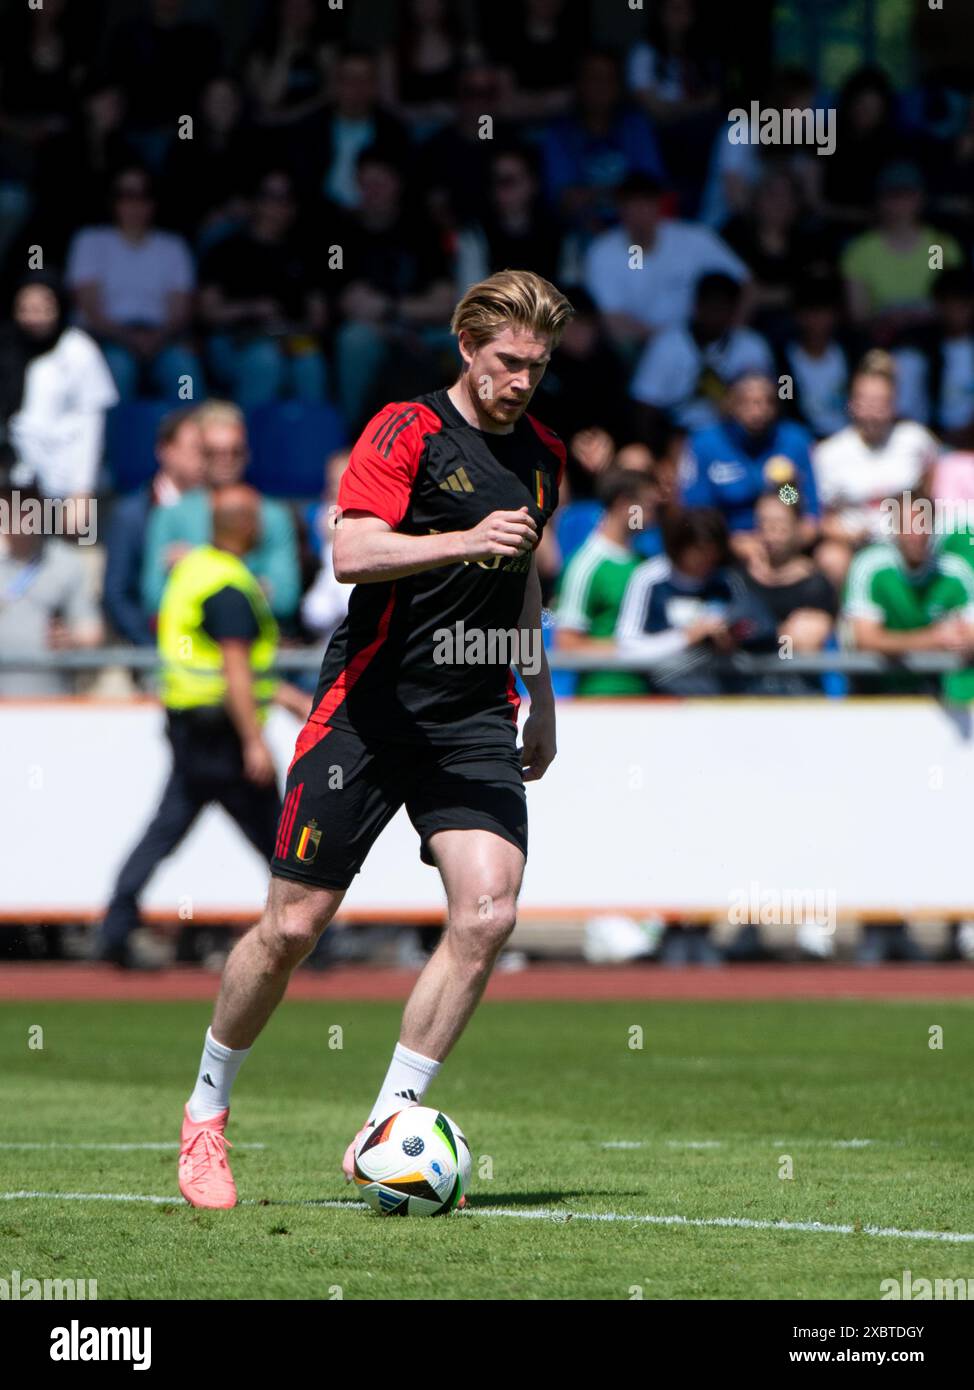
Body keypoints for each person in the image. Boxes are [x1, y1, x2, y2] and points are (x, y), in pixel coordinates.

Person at [174, 269, 570, 1209]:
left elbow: (520, 581)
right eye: (508, 361)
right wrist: (461, 538)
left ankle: (387, 1123)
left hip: (473, 715)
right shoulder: (408, 428)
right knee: (293, 926)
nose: (520, 381)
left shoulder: (546, 453)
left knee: (487, 914)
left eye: (537, 366)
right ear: (468, 347)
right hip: (369, 706)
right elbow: (352, 550)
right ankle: (205, 1114)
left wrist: (540, 695)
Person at [97, 485, 312, 968]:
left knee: (168, 827)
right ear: (249, 527)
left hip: (190, 722)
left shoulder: (194, 570)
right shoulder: (231, 586)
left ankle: (115, 923)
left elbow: (221, 664)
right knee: (278, 837)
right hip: (223, 734)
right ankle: (311, 933)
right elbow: (235, 668)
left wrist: (284, 695)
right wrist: (254, 741)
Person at [141, 400, 301, 623]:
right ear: (200, 453)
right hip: (191, 654)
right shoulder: (170, 515)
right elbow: (155, 598)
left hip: (254, 650)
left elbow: (284, 599)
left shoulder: (273, 515)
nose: (226, 461)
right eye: (214, 452)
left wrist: (194, 565)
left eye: (234, 451)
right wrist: (254, 585)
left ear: (247, 453)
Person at [65, 164, 200, 401]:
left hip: (161, 339)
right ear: (113, 201)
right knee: (118, 368)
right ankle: (112, 438)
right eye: (126, 196)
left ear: (153, 202)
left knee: (184, 371)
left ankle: (194, 437)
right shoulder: (90, 241)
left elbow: (180, 310)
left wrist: (155, 338)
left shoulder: (173, 246)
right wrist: (129, 338)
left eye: (142, 196)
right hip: (105, 339)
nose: (134, 204)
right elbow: (89, 309)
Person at [583, 173, 751, 358]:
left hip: (709, 342)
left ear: (658, 205)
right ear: (620, 210)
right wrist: (672, 344)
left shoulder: (694, 238)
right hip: (643, 347)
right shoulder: (602, 251)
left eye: (646, 204)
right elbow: (613, 321)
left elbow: (747, 283)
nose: (640, 213)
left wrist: (731, 336)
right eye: (632, 205)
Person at [199, 169, 327, 408]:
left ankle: (312, 442)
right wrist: (252, 309)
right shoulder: (226, 249)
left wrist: (289, 330)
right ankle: (247, 441)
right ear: (255, 202)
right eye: (270, 197)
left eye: (286, 199)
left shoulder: (305, 253)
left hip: (290, 339)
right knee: (265, 360)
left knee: (310, 361)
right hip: (234, 340)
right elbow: (208, 312)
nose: (277, 206)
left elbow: (318, 318)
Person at [615, 506, 772, 695]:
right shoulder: (650, 579)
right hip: (662, 696)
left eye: (713, 552)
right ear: (680, 546)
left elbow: (760, 630)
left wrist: (731, 639)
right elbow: (627, 649)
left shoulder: (728, 582)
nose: (706, 559)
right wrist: (687, 637)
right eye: (699, 551)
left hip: (721, 695)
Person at [814, 351, 940, 578]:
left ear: (894, 404)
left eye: (881, 403)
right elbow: (817, 514)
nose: (872, 412)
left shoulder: (915, 439)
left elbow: (933, 479)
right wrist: (845, 534)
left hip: (908, 543)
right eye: (865, 402)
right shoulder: (828, 453)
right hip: (855, 544)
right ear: (851, 403)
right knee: (830, 557)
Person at [0, 275, 117, 504]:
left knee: (68, 540)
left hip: (64, 482)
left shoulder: (79, 350)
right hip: (15, 479)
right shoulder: (6, 348)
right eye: (26, 309)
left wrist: (82, 490)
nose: (34, 317)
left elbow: (89, 425)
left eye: (43, 308)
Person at [681, 370, 819, 551]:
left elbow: (810, 516)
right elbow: (696, 514)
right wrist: (735, 544)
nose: (757, 412)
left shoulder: (794, 441)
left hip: (785, 545)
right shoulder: (704, 444)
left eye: (765, 402)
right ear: (731, 404)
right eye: (747, 403)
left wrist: (788, 488)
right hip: (722, 547)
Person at [102, 408, 206, 648]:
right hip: (152, 650)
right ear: (165, 451)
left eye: (207, 451)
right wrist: (155, 650)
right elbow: (117, 595)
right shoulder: (131, 515)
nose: (204, 458)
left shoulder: (221, 509)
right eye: (196, 449)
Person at [555, 467, 657, 696]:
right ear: (624, 504)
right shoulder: (585, 565)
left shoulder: (644, 562)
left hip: (648, 696)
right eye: (647, 507)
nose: (651, 517)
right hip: (603, 697)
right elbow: (568, 644)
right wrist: (631, 650)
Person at [630, 272, 774, 432]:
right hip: (680, 432)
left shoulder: (753, 346)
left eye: (722, 308)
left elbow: (775, 397)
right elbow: (645, 405)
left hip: (739, 434)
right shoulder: (667, 344)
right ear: (696, 306)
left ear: (734, 310)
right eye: (710, 306)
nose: (715, 315)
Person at [0, 483, 104, 698]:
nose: (20, 512)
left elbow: (91, 632)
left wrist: (71, 638)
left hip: (50, 706)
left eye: (27, 503)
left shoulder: (66, 562)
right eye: (11, 502)